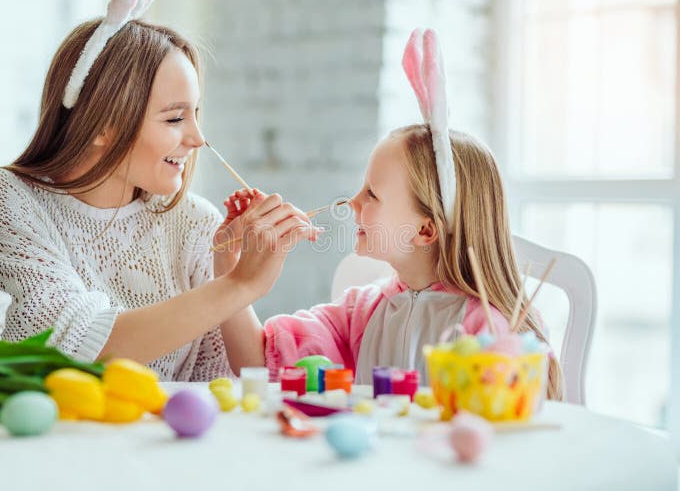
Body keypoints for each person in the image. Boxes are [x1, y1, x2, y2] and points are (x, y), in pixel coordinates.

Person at [0, 0, 318, 381]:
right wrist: (238, 285)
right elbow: (80, 350)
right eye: (174, 118)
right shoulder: (2, 199)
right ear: (102, 126)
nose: (198, 138)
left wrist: (229, 271)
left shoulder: (196, 224)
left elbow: (245, 382)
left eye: (196, 113)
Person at [219, 29, 563, 399]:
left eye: (371, 193)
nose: (352, 202)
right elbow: (257, 363)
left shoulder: (491, 333)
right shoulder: (362, 314)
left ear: (426, 230)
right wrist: (227, 261)